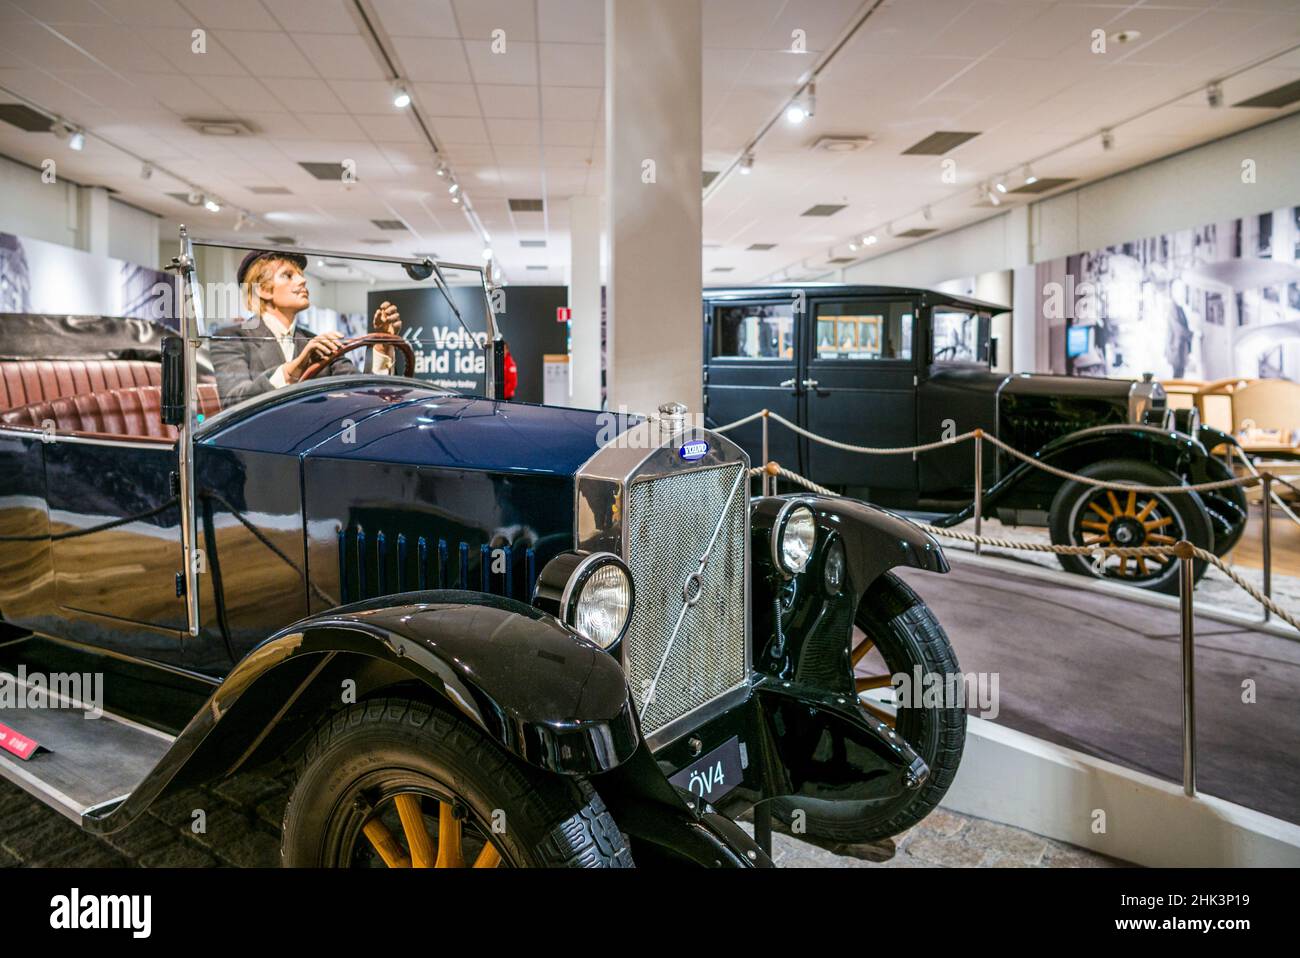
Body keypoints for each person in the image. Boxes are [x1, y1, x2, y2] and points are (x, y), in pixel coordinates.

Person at [210, 250, 401, 407]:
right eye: (288, 275)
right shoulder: (231, 338)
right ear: (262, 289)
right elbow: (234, 401)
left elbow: (364, 395)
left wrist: (382, 344)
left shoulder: (317, 343)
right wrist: (296, 368)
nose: (302, 281)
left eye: (301, 275)